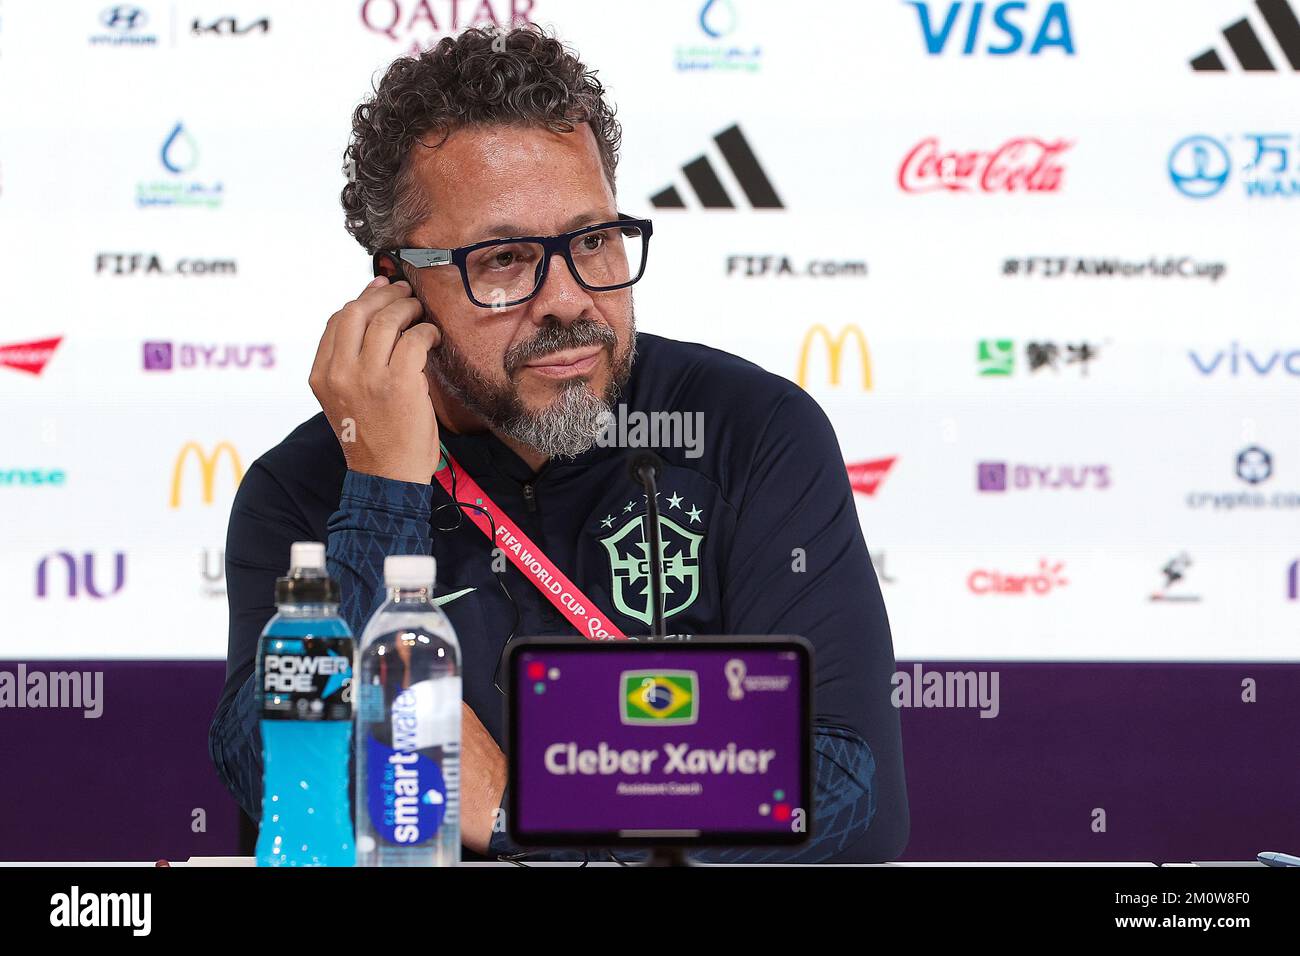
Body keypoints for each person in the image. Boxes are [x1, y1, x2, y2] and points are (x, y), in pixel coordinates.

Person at [208, 24, 908, 863]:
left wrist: (517, 805)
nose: (569, 301)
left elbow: (845, 795)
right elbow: (286, 780)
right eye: (504, 260)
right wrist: (383, 490)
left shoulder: (749, 433)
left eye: (592, 240)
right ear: (395, 285)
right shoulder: (306, 489)